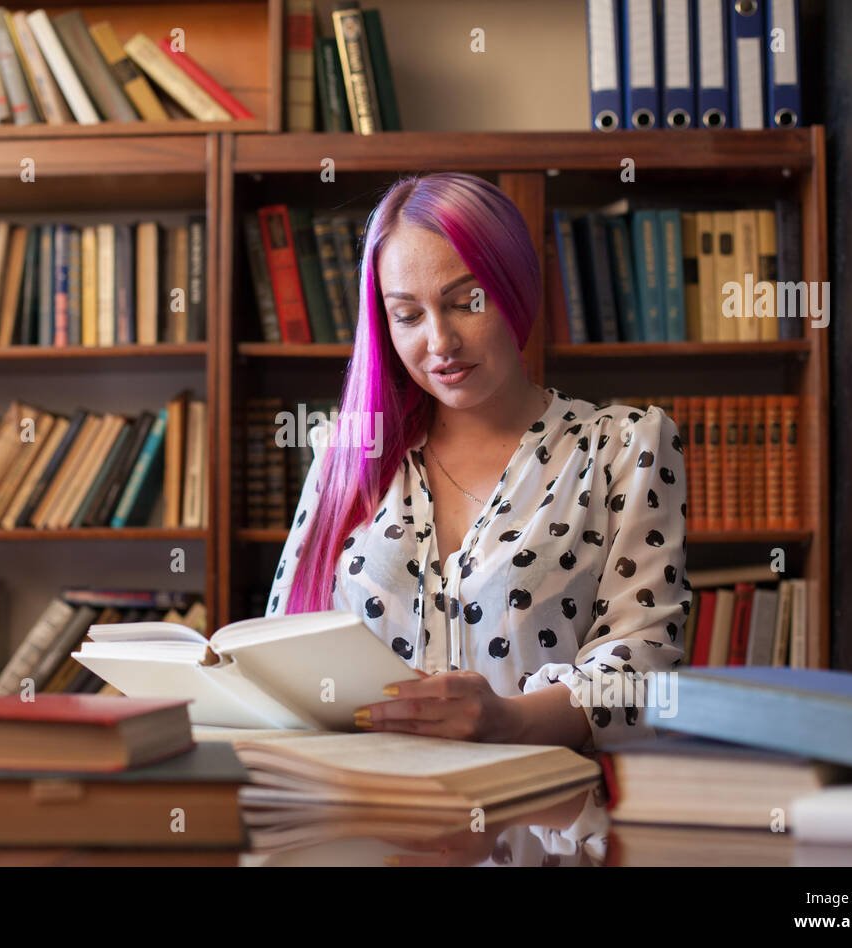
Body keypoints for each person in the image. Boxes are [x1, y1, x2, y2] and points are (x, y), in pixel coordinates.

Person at [265, 172, 689, 752]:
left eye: (466, 302)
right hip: (365, 812)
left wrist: (508, 721)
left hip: (542, 819)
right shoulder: (347, 451)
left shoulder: (621, 447)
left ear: (514, 289)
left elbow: (644, 668)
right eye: (408, 316)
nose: (440, 342)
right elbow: (278, 645)